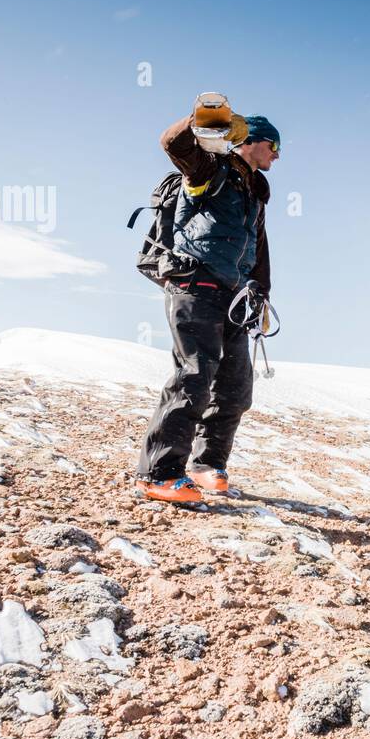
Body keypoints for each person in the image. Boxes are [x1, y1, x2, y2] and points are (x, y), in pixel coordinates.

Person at [134, 94, 281, 503]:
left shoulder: (255, 190)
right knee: (194, 376)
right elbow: (172, 143)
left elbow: (260, 248)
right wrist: (207, 120)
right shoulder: (208, 168)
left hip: (235, 296)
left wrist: (261, 294)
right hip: (196, 285)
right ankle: (158, 473)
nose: (278, 156)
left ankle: (206, 465)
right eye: (274, 146)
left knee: (235, 387)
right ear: (251, 141)